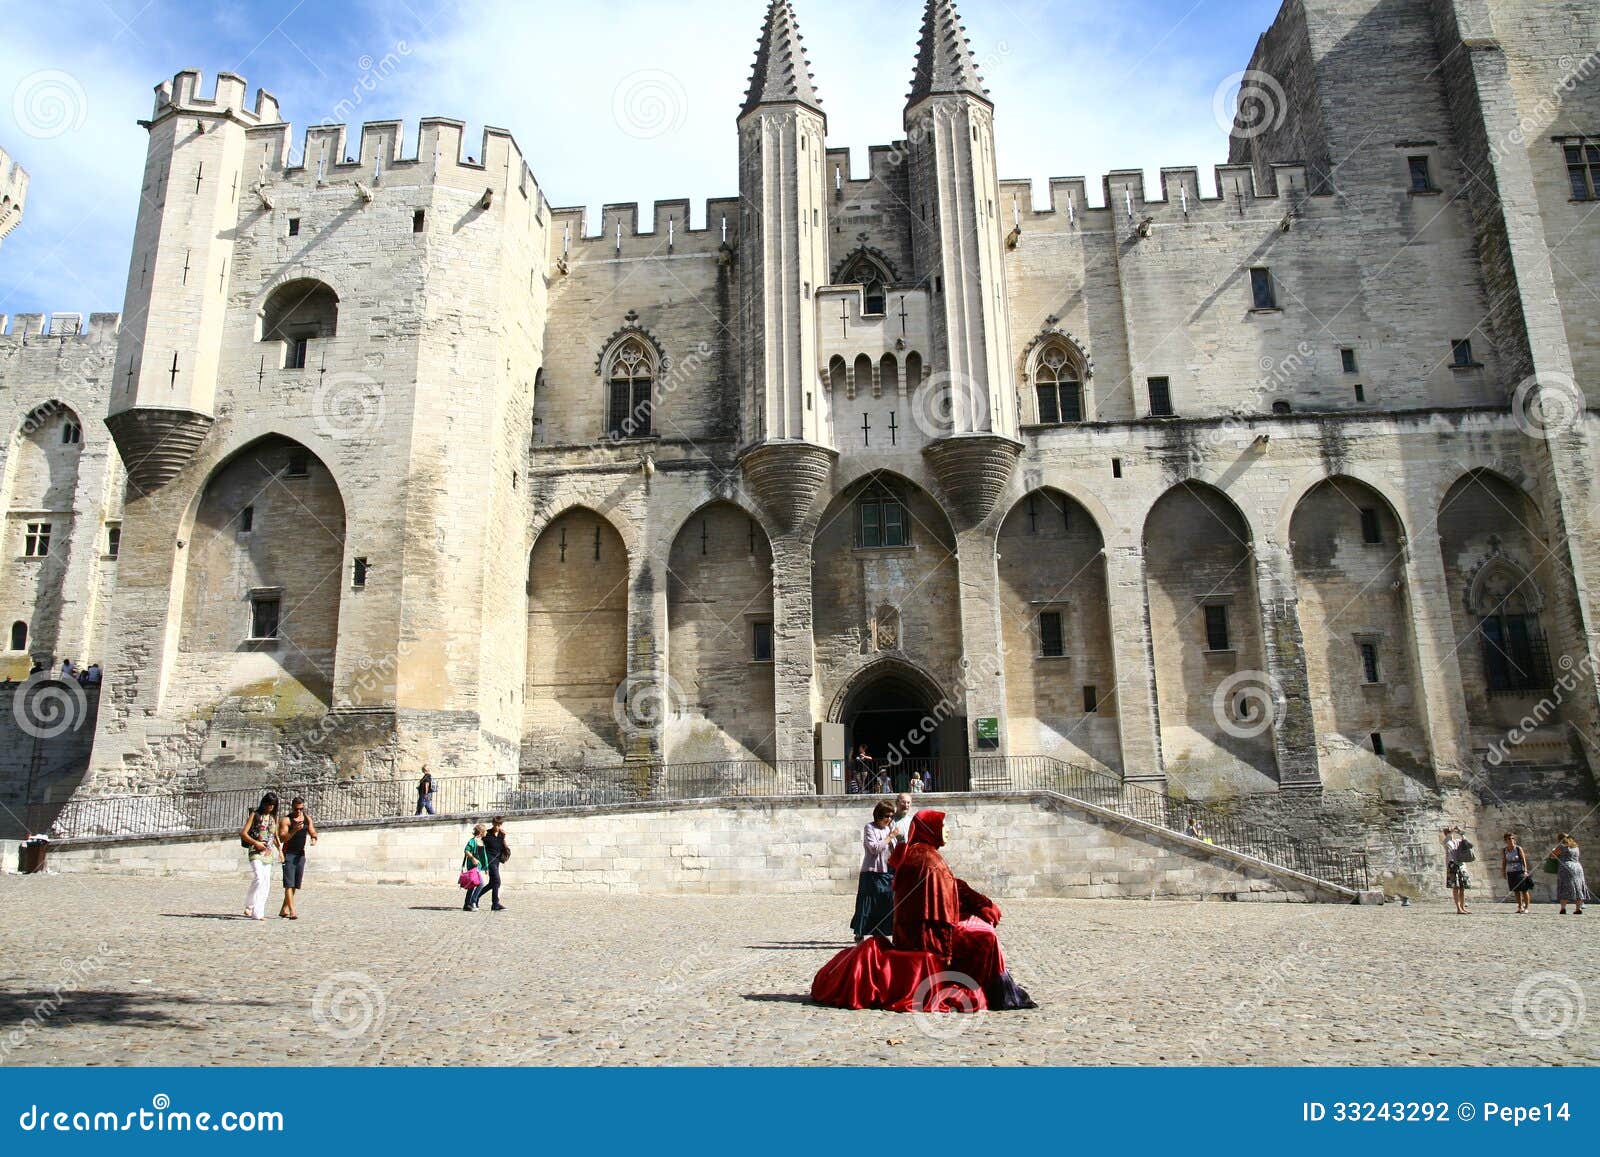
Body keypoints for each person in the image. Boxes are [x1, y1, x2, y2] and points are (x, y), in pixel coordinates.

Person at [812, 809, 1034, 1013]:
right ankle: (998, 992)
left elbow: (952, 887)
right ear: (930, 829)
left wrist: (979, 904)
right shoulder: (926, 858)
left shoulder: (922, 852)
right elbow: (945, 897)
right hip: (926, 935)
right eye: (942, 825)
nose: (947, 830)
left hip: (917, 929)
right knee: (984, 939)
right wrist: (977, 907)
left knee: (981, 930)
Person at [851, 802, 896, 943]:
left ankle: (881, 932)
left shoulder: (889, 828)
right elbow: (874, 848)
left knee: (886, 903)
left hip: (888, 871)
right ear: (879, 815)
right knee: (867, 903)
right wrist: (889, 837)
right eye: (886, 816)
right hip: (872, 872)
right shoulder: (869, 828)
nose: (888, 819)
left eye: (891, 816)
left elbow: (893, 850)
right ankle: (860, 932)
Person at [239, 792, 281, 921]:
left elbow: (275, 836)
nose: (270, 808)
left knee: (266, 882)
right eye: (269, 804)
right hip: (255, 850)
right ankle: (249, 904)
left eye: (273, 805)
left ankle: (258, 912)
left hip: (268, 852)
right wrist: (256, 843)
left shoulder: (274, 818)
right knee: (258, 878)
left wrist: (280, 850)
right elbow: (243, 833)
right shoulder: (255, 815)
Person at [278, 797, 318, 920]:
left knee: (295, 884)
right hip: (288, 854)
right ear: (292, 807)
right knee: (289, 884)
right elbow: (282, 838)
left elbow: (312, 832)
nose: (299, 812)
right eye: (297, 809)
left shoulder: (307, 818)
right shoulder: (286, 820)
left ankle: (283, 909)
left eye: (301, 809)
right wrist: (294, 830)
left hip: (300, 854)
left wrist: (313, 838)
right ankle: (292, 911)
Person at [1550, 834, 1589, 915]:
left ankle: (1563, 908)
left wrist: (1553, 851)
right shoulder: (1576, 847)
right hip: (1577, 867)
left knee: (1564, 886)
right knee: (1578, 887)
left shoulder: (1561, 846)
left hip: (1566, 867)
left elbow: (1552, 856)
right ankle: (1578, 909)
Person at [481, 816, 510, 912]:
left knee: (492, 883)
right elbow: (480, 845)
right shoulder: (487, 834)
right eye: (496, 824)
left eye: (499, 825)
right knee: (497, 881)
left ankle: (475, 897)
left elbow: (501, 846)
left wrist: (504, 838)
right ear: (493, 824)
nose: (497, 826)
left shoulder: (501, 834)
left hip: (497, 860)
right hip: (490, 860)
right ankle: (495, 904)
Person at [1441, 825, 1471, 914]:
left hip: (1461, 865)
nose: (1449, 831)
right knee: (1455, 887)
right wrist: (1451, 832)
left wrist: (1461, 833)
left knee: (1462, 887)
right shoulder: (1446, 842)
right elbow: (1448, 839)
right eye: (1447, 831)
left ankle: (1462, 907)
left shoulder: (1458, 841)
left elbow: (1467, 843)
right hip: (1452, 865)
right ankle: (1458, 908)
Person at [462, 823, 491, 911]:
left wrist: (486, 868)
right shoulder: (473, 841)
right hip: (473, 866)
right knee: (481, 884)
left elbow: (483, 856)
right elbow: (466, 850)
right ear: (481, 832)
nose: (486, 832)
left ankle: (466, 905)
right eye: (485, 830)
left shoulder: (482, 841)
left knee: (472, 885)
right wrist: (472, 858)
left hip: (479, 867)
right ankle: (473, 902)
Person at [1503, 832, 1533, 914]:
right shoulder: (1505, 850)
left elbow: (1523, 860)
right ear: (1506, 840)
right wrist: (1503, 871)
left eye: (1513, 838)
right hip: (1510, 871)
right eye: (1509, 839)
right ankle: (1520, 906)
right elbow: (1504, 861)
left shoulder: (1518, 848)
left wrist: (1525, 870)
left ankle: (1526, 907)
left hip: (1519, 871)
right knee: (1516, 890)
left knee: (1524, 889)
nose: (1511, 840)